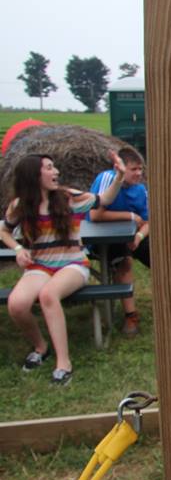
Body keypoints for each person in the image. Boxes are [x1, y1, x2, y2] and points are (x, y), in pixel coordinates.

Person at [1, 152, 127, 385]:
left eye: (54, 167)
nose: (56, 172)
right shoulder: (19, 206)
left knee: (48, 295)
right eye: (49, 168)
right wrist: (18, 250)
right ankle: (41, 346)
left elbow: (104, 199)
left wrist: (119, 175)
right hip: (40, 266)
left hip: (73, 264)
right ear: (33, 175)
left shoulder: (69, 198)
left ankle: (63, 363)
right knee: (17, 305)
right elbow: (4, 231)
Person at [88, 146, 150, 336]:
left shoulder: (140, 189)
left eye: (141, 169)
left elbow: (147, 221)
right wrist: (129, 216)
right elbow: (95, 215)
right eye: (134, 169)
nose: (139, 173)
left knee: (162, 255)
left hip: (131, 237)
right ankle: (130, 316)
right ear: (120, 168)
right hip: (103, 239)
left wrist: (139, 237)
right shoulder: (107, 178)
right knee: (124, 262)